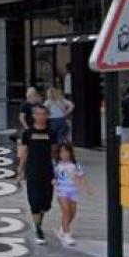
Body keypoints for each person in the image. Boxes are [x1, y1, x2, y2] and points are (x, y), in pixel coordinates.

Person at [16, 104, 56, 245]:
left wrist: (58, 171)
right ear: (33, 116)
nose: (41, 117)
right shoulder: (28, 133)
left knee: (46, 202)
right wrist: (20, 170)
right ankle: (38, 228)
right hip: (32, 170)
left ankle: (40, 220)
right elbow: (24, 152)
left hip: (47, 170)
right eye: (38, 114)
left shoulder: (51, 133)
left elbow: (54, 152)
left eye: (44, 114)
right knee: (34, 199)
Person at [52, 142, 91, 247]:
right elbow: (54, 177)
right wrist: (53, 181)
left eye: (66, 151)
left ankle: (64, 227)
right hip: (62, 191)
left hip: (73, 191)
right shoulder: (57, 165)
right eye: (61, 152)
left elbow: (81, 176)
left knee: (72, 213)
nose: (64, 154)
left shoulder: (75, 164)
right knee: (66, 211)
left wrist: (87, 188)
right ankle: (67, 233)